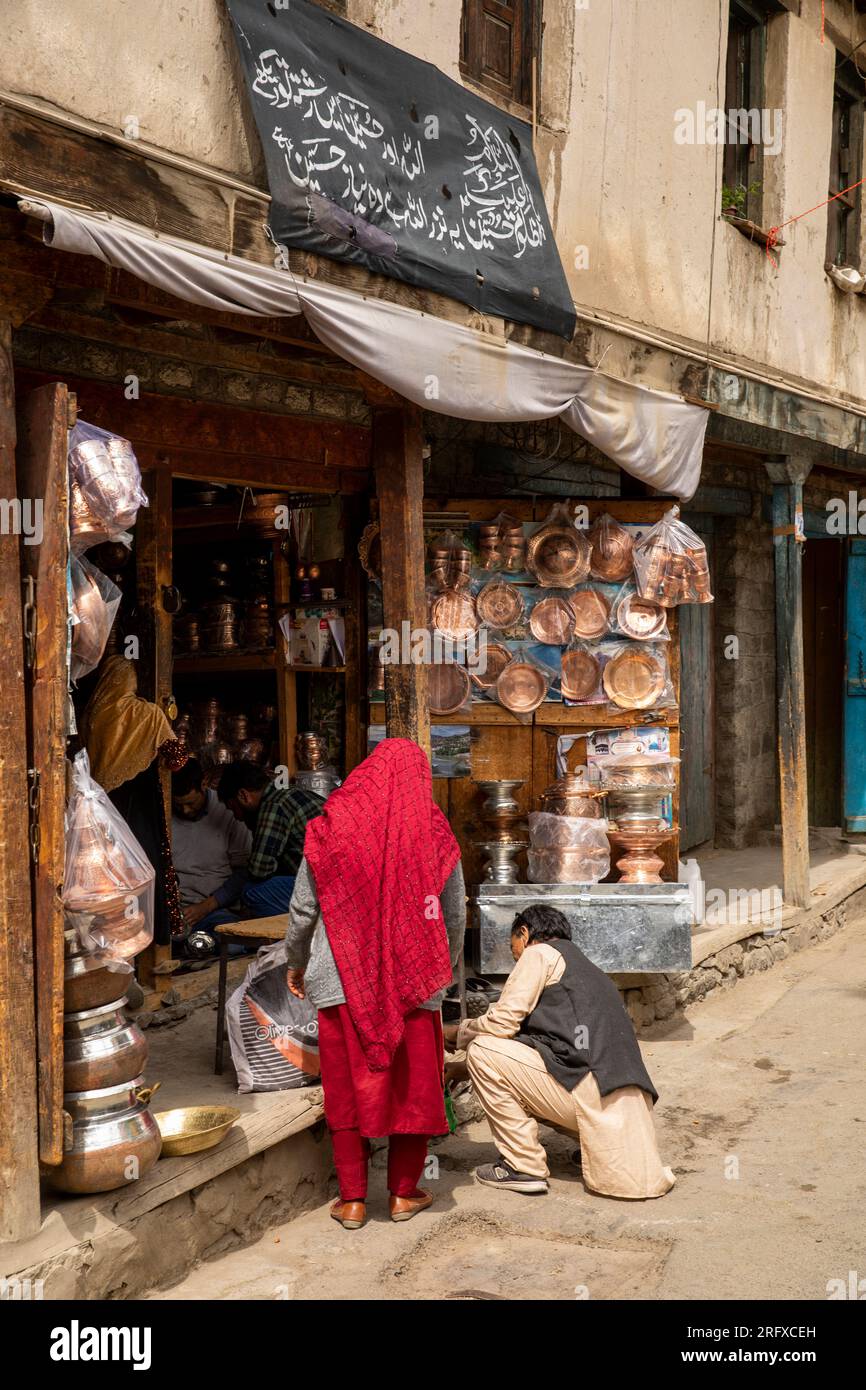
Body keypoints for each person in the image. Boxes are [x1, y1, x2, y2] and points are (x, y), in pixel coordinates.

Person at [283, 737, 465, 1230]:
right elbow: (452, 913)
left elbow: (304, 909)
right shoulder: (432, 828)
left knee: (344, 1088)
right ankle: (404, 1194)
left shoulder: (332, 824)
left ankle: (354, 1201)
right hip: (415, 982)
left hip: (340, 978)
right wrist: (439, 971)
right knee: (413, 1089)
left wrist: (297, 961)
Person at [445, 904, 675, 1201]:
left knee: (482, 1048)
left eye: (512, 944)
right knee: (487, 1056)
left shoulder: (538, 954)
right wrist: (463, 1070)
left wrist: (459, 1033)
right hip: (628, 1104)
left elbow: (502, 1024)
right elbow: (539, 1049)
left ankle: (523, 1167)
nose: (514, 953)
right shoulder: (588, 969)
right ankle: (593, 1145)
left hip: (590, 1093)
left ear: (525, 933)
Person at [81, 654, 188, 947]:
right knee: (142, 865)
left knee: (107, 871)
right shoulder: (148, 714)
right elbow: (176, 760)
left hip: (100, 802)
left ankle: (111, 937)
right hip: (138, 800)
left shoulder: (92, 714)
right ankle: (145, 935)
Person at [217, 760, 324, 917]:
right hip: (350, 882)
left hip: (330, 889)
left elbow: (259, 871)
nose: (237, 818)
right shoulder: (295, 794)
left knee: (252, 892)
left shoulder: (274, 805)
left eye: (233, 809)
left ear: (243, 795)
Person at [171, 758, 252, 947]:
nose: (185, 810)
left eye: (190, 803)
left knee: (234, 944)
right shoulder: (164, 812)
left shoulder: (227, 810)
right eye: (178, 805)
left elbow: (244, 872)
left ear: (204, 784)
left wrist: (205, 907)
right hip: (174, 912)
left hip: (214, 909)